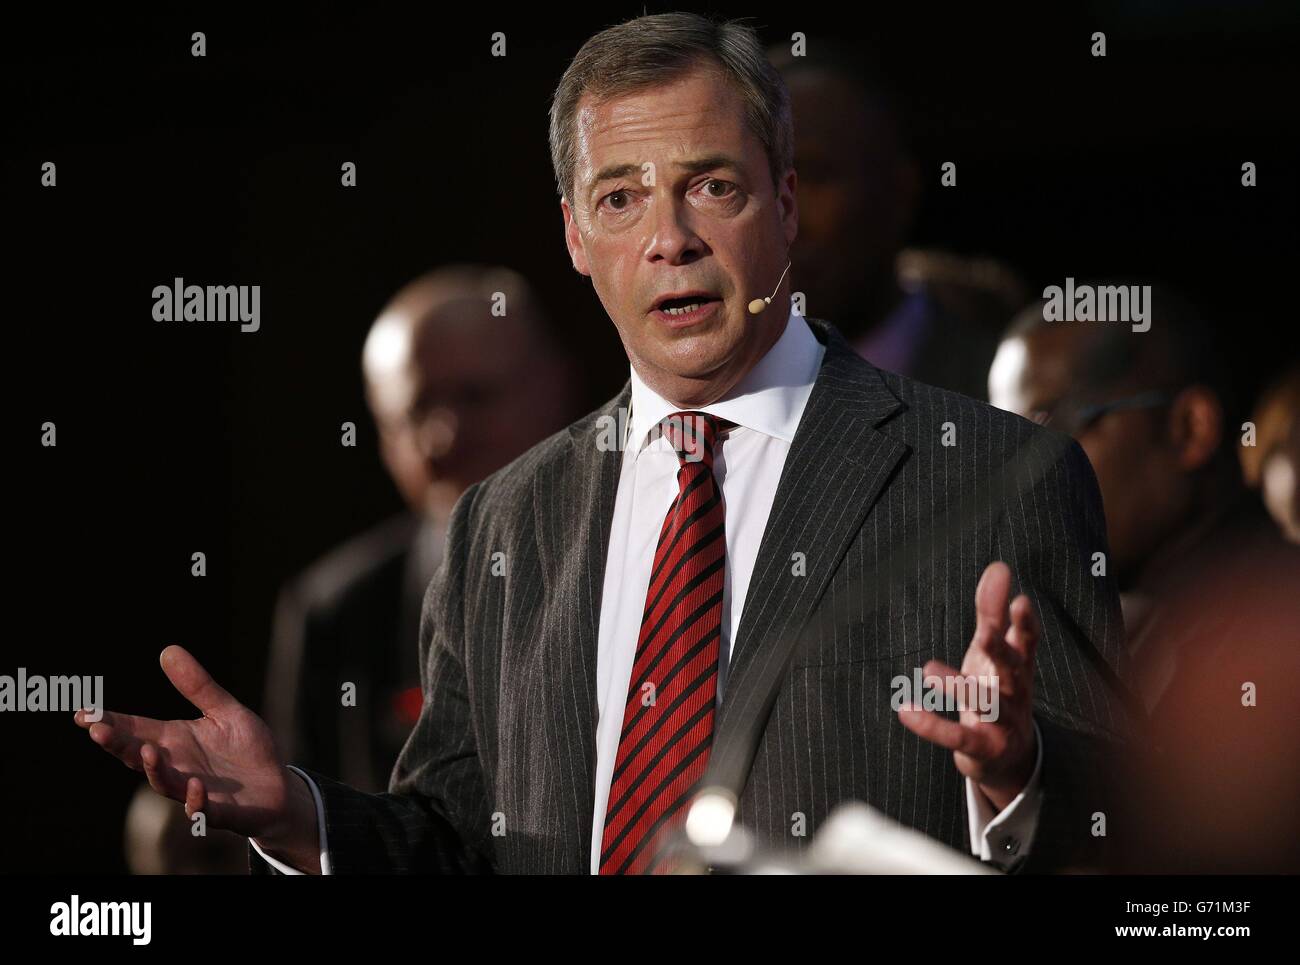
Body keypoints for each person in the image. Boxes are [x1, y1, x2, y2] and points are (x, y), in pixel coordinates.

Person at [76, 12, 1134, 876]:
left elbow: (1131, 827)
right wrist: (300, 815)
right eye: (621, 198)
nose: (667, 237)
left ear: (785, 202)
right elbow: (454, 836)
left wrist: (1016, 768)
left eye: (710, 186)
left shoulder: (994, 475)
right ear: (577, 238)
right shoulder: (504, 517)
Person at [989, 288, 1300, 871]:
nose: (1016, 485)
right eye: (1001, 449)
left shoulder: (1283, 630)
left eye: (1045, 436)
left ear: (1188, 428)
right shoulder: (1078, 630)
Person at [264, 265, 576, 792]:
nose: (442, 437)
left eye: (475, 396)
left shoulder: (636, 552)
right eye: (414, 411)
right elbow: (306, 831)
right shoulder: (337, 612)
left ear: (556, 384)